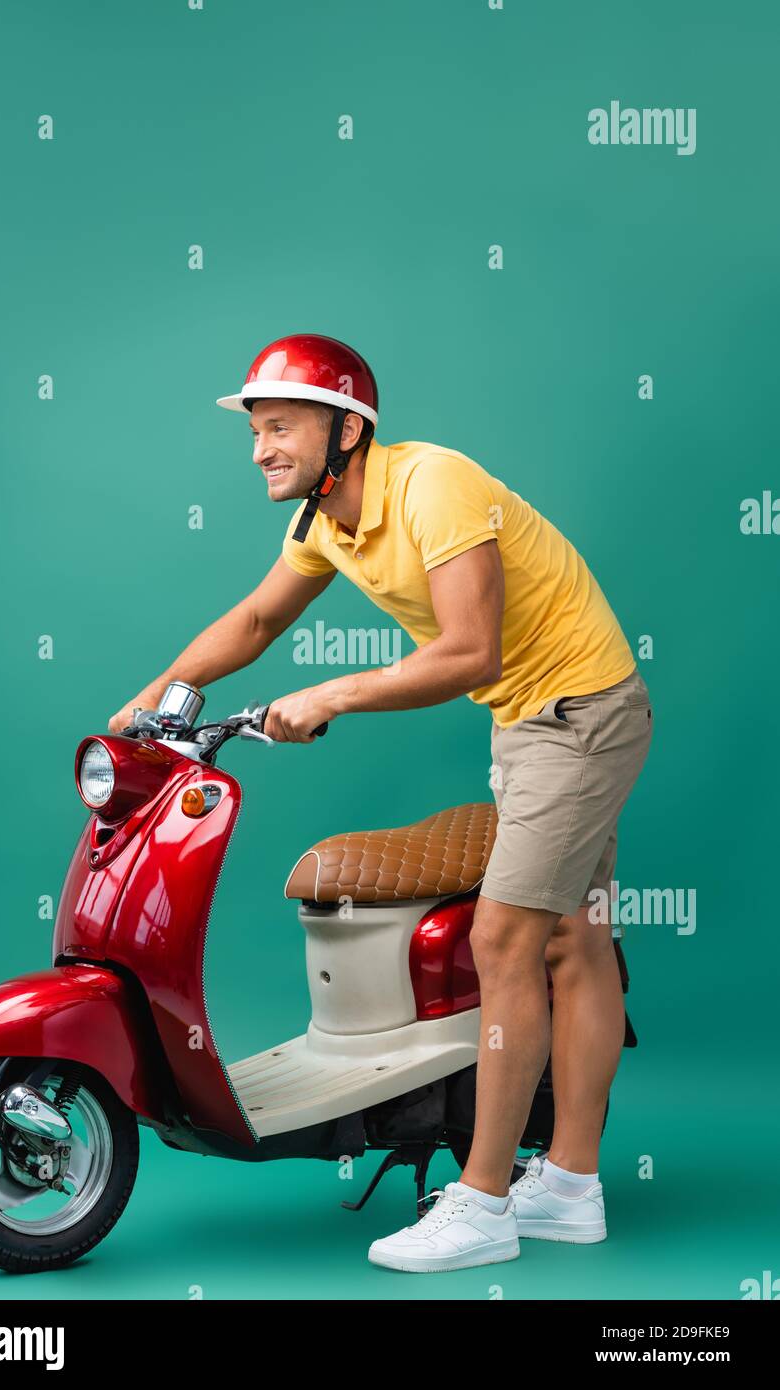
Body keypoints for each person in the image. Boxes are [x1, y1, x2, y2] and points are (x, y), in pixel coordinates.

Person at [108, 332, 653, 1273]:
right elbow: (257, 619)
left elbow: (468, 652)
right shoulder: (323, 523)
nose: (260, 449)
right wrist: (150, 700)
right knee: (574, 939)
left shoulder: (429, 484)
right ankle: (570, 1186)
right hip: (529, 724)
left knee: (507, 939)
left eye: (278, 427)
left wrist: (329, 694)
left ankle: (483, 1204)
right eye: (256, 431)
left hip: (580, 713)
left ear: (345, 428)